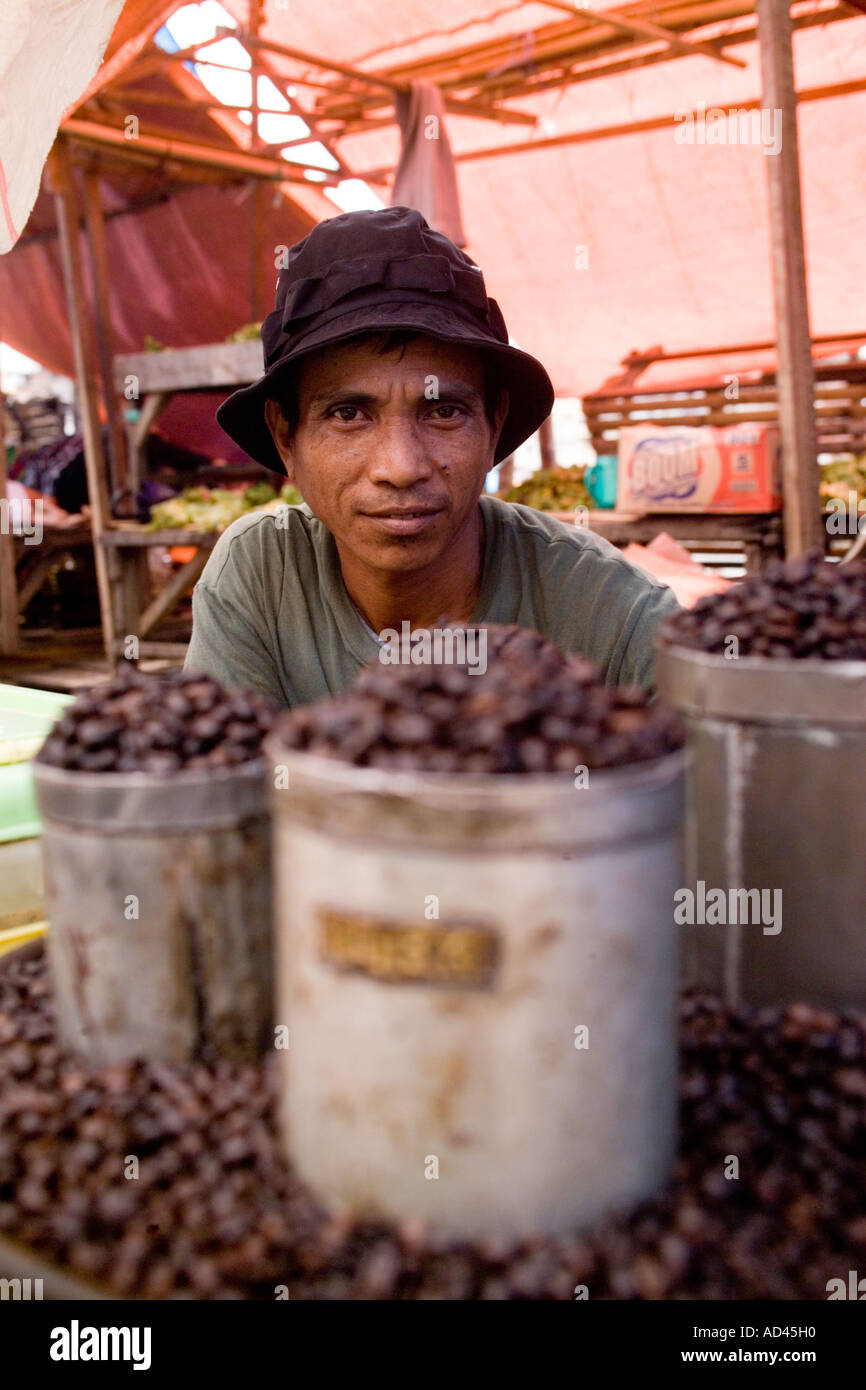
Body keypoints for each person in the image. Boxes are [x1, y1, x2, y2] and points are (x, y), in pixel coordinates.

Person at [185, 206, 678, 707]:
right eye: (349, 413)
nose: (400, 468)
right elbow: (220, 779)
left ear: (495, 426)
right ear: (286, 438)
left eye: (443, 411)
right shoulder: (261, 576)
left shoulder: (617, 616)